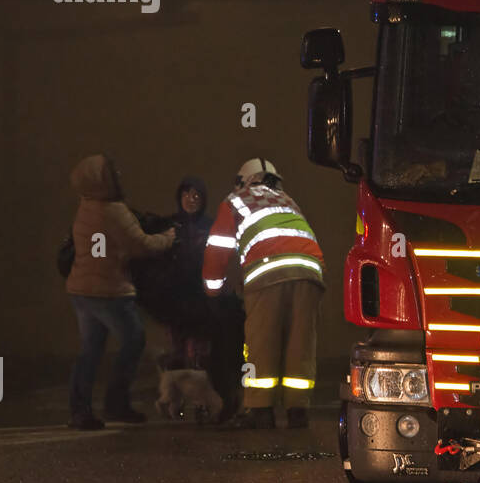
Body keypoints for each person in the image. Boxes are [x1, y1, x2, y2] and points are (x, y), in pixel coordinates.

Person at [202, 158, 324, 429]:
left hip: (268, 272)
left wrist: (213, 289)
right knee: (300, 343)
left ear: (243, 180)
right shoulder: (287, 200)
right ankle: (297, 411)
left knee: (262, 341)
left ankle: (260, 410)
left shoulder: (235, 200)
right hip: (310, 271)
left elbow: (218, 249)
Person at [65, 154, 175, 430]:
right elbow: (142, 245)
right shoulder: (112, 210)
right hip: (109, 290)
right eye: (114, 174)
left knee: (90, 350)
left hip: (81, 290)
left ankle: (80, 409)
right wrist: (170, 237)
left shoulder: (85, 206)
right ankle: (116, 403)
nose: (119, 178)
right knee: (133, 341)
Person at [133, 177, 246, 421]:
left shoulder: (210, 226)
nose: (191, 200)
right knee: (178, 353)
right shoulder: (169, 226)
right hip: (176, 303)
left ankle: (203, 403)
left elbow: (224, 260)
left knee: (202, 354)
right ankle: (175, 403)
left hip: (204, 302)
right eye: (186, 195)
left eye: (196, 196)